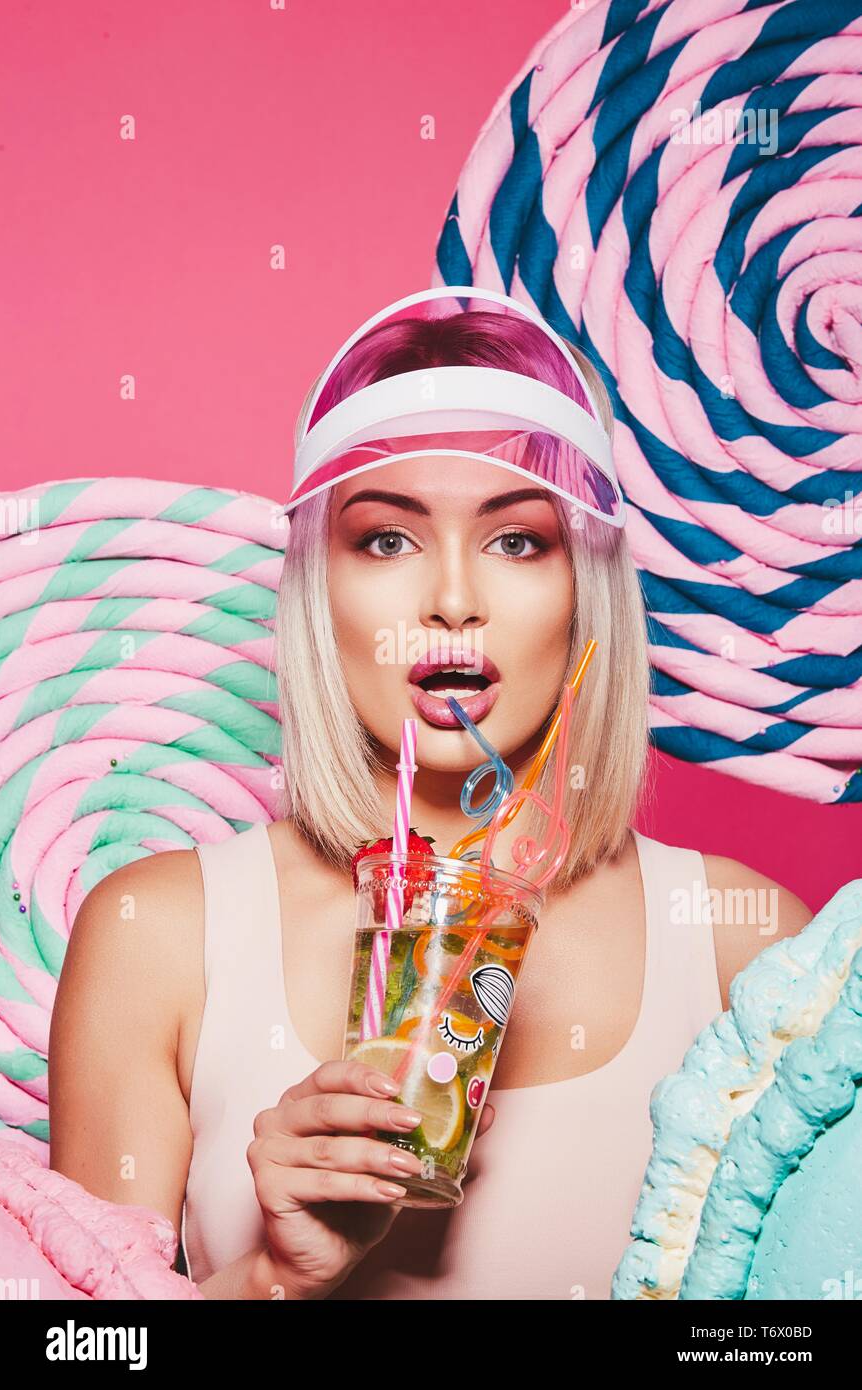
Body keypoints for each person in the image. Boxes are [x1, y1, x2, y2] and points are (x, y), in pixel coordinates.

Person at [48, 288, 813, 1300]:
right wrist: (274, 1278)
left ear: (585, 583)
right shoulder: (156, 935)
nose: (451, 600)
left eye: (515, 540)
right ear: (318, 585)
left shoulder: (736, 943)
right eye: (385, 539)